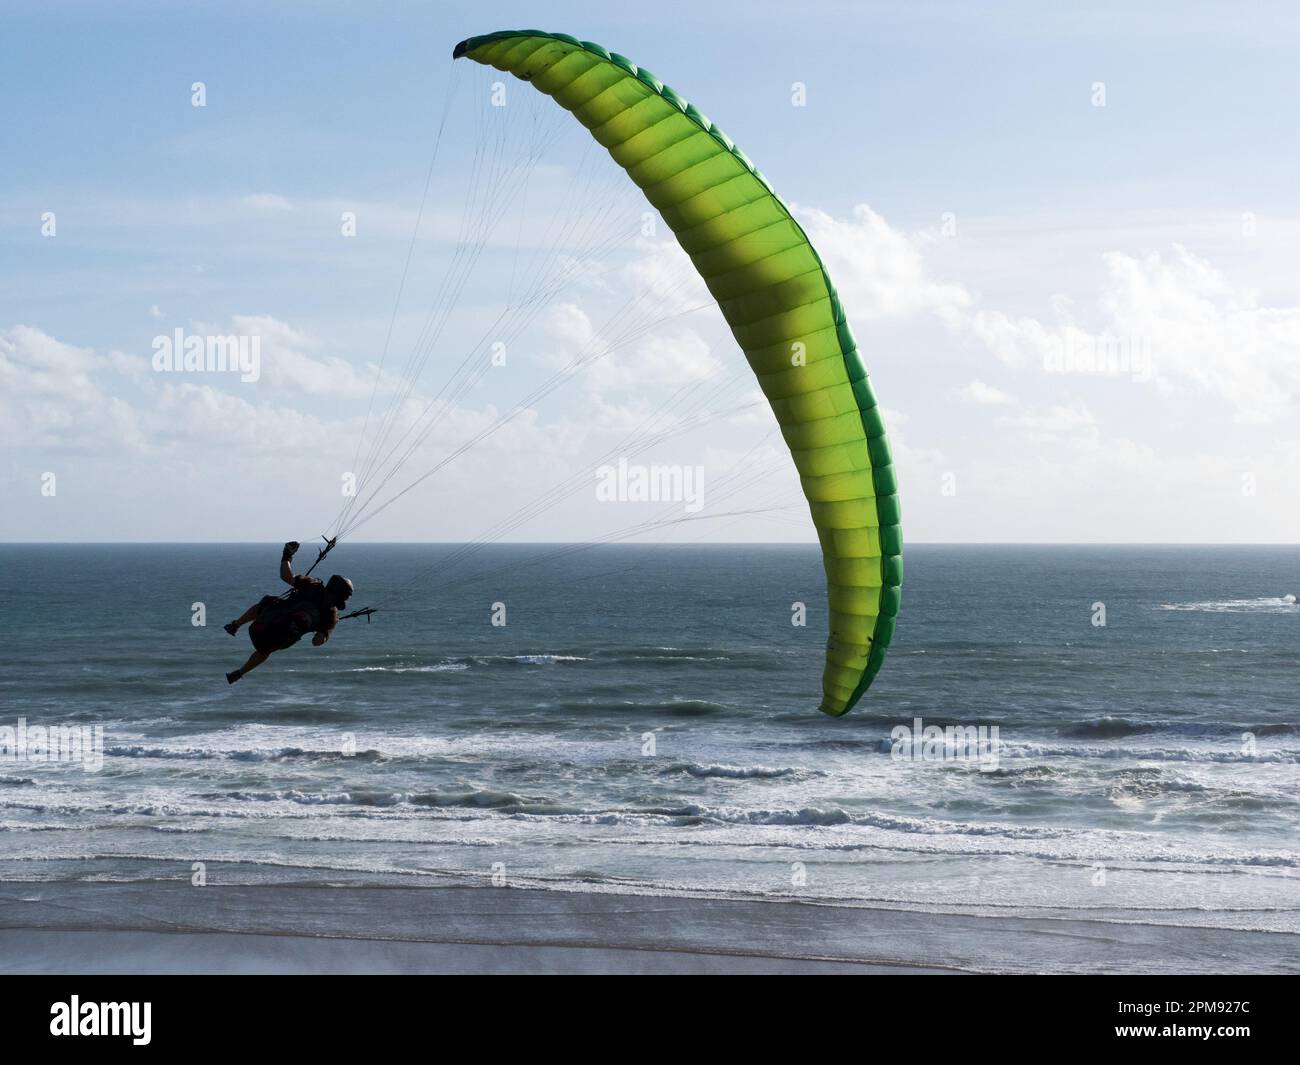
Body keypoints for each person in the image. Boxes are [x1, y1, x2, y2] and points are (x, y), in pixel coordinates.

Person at [224, 541, 354, 684]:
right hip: (280, 638)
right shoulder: (330, 616)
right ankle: (239, 673)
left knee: (267, 602)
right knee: (264, 651)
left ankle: (235, 625)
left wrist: (287, 555)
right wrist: (326, 630)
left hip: (263, 623)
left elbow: (286, 576)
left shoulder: (313, 586)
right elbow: (316, 642)